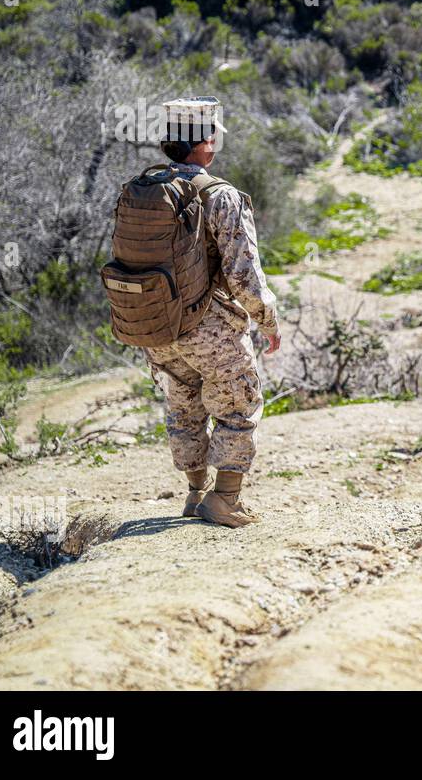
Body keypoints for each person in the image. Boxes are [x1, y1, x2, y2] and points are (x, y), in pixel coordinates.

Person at [144, 98, 279, 528]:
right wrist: (267, 319)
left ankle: (194, 493)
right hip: (208, 328)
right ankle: (225, 500)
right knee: (240, 403)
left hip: (155, 328)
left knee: (183, 409)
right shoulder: (220, 195)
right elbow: (244, 276)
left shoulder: (143, 189)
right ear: (205, 141)